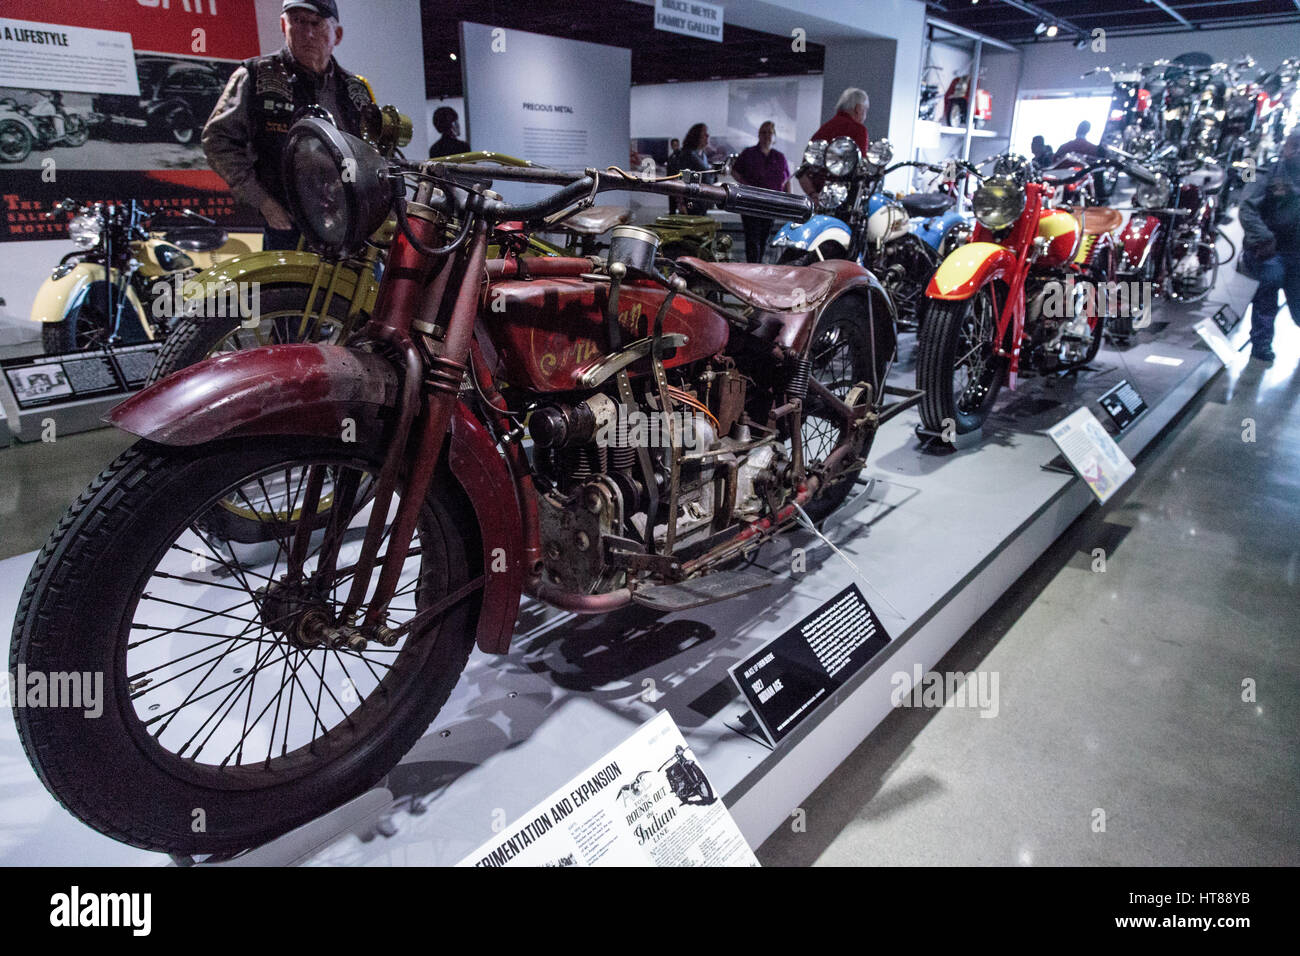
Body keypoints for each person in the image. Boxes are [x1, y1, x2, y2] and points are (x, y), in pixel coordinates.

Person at [202, 0, 375, 251]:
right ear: (284, 26)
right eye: (297, 21)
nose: (307, 33)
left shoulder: (355, 89)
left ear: (337, 35)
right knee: (288, 290)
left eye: (316, 23)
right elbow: (217, 140)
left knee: (360, 289)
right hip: (288, 226)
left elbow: (373, 153)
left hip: (348, 225)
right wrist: (262, 200)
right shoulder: (255, 75)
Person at [1238, 131, 1300, 363]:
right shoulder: (1266, 172)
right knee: (1268, 290)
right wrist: (1264, 238)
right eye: (1294, 146)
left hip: (1296, 251)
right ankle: (1261, 344)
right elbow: (1247, 208)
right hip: (1270, 250)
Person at [730, 121, 791, 262]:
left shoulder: (779, 157)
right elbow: (735, 171)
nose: (766, 136)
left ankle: (758, 266)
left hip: (770, 204)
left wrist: (788, 202)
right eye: (763, 132)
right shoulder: (748, 153)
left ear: (774, 136)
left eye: (769, 132)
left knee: (764, 238)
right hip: (750, 203)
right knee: (752, 238)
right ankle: (752, 266)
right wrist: (745, 185)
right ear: (758, 134)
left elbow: (787, 180)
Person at [801, 88, 869, 196]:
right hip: (844, 199)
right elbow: (860, 171)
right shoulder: (859, 130)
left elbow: (802, 173)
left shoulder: (824, 129)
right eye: (865, 110)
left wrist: (813, 195)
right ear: (858, 108)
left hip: (820, 199)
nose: (865, 116)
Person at [672, 123, 714, 214]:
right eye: (704, 133)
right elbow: (682, 180)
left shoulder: (702, 155)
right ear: (697, 136)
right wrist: (681, 204)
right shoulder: (688, 155)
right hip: (691, 203)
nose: (707, 136)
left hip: (703, 202)